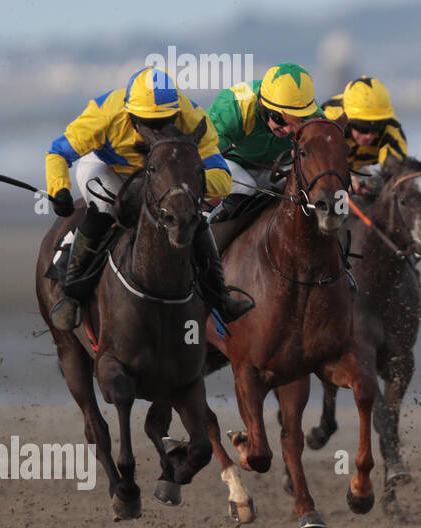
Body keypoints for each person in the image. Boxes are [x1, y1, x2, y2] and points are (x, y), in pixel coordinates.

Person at [44, 66, 253, 329]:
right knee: (104, 209)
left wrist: (183, 186)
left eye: (166, 122)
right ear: (130, 115)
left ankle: (220, 297)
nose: (158, 131)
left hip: (163, 177)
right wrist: (59, 189)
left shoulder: (194, 119)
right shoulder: (104, 115)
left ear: (178, 113)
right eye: (149, 124)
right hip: (107, 168)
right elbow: (57, 153)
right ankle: (71, 295)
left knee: (194, 218)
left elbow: (222, 179)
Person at [205, 62, 319, 220]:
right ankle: (209, 230)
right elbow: (205, 154)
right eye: (280, 119)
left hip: (275, 166)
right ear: (261, 105)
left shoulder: (313, 115)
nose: (287, 130)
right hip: (232, 162)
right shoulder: (233, 108)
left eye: (298, 121)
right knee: (245, 187)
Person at [321, 75, 408, 195]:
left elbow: (395, 176)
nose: (370, 136)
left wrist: (374, 186)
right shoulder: (328, 121)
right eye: (363, 128)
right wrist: (343, 176)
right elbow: (314, 162)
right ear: (348, 120)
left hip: (362, 172)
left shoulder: (392, 131)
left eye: (377, 127)